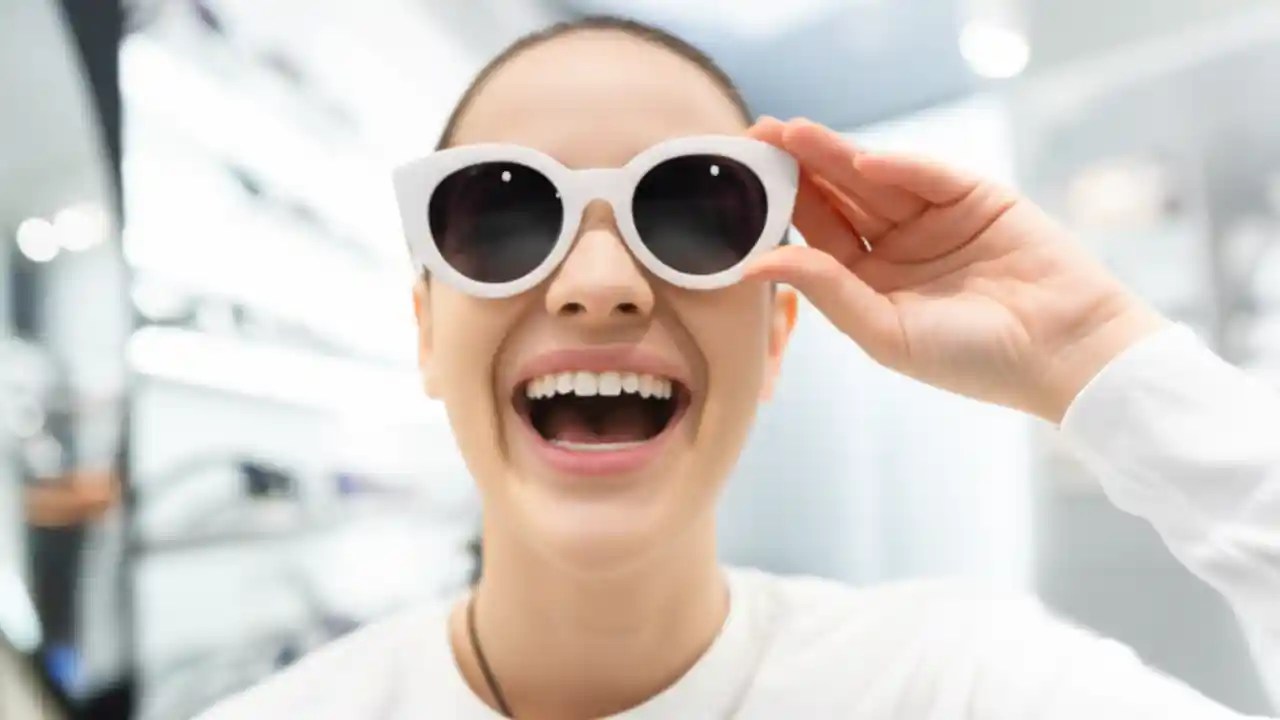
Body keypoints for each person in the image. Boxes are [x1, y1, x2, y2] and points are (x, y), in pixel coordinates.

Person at [201, 15, 1280, 719]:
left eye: (687, 209)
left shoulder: (958, 687)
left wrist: (1097, 358)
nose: (599, 282)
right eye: (502, 213)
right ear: (427, 334)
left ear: (774, 341)